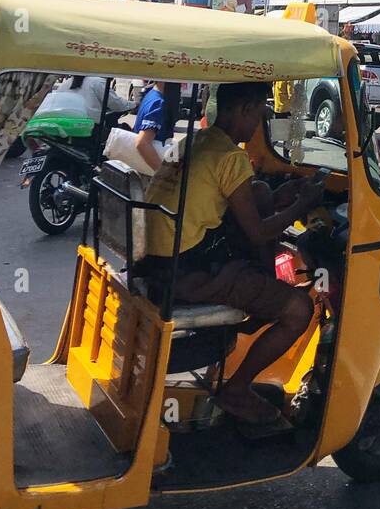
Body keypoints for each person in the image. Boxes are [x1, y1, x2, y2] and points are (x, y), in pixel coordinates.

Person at [140, 81, 321, 427]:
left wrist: (278, 199)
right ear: (244, 110)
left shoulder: (197, 141)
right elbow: (258, 232)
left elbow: (242, 203)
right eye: (259, 114)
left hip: (157, 262)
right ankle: (236, 390)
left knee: (261, 192)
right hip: (187, 274)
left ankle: (252, 315)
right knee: (299, 308)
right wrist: (303, 203)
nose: (258, 124)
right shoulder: (231, 157)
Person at [132, 80, 181, 172]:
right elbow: (142, 143)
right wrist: (163, 174)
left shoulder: (151, 94)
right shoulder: (158, 104)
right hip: (148, 170)